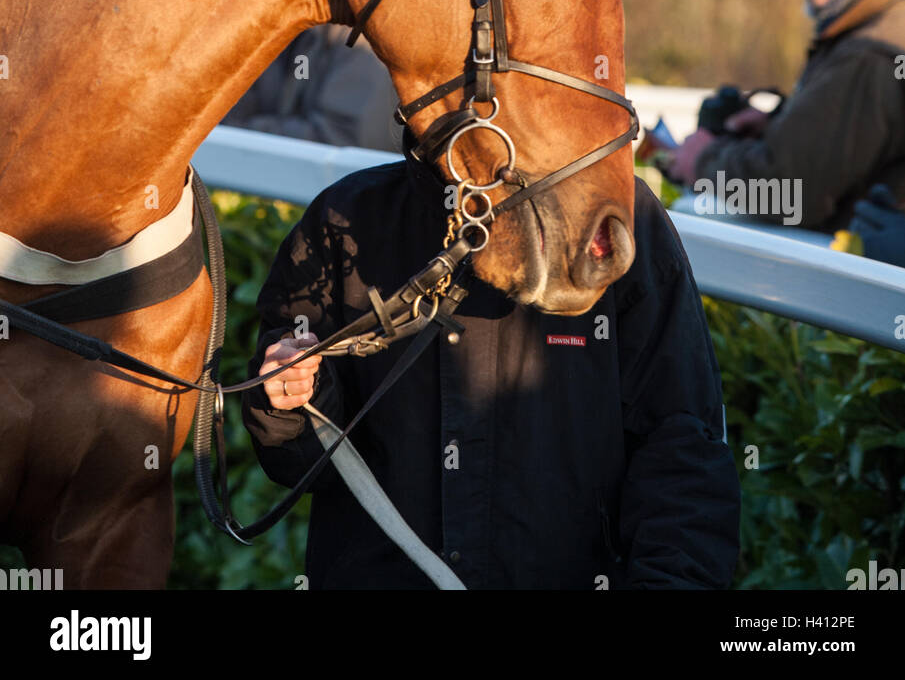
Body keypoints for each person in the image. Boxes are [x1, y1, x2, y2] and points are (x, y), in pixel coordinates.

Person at [240, 125, 741, 591]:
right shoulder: (344, 216)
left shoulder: (618, 218)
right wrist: (287, 399)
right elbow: (296, 466)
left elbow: (683, 449)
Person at [669, 0, 905, 233]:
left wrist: (702, 161)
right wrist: (781, 125)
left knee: (685, 222)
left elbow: (791, 193)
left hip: (866, 282)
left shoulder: (868, 56)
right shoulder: (883, 31)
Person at [221, 22, 403, 153]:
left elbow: (340, 138)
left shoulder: (365, 41)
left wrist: (240, 130)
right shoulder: (280, 29)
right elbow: (230, 105)